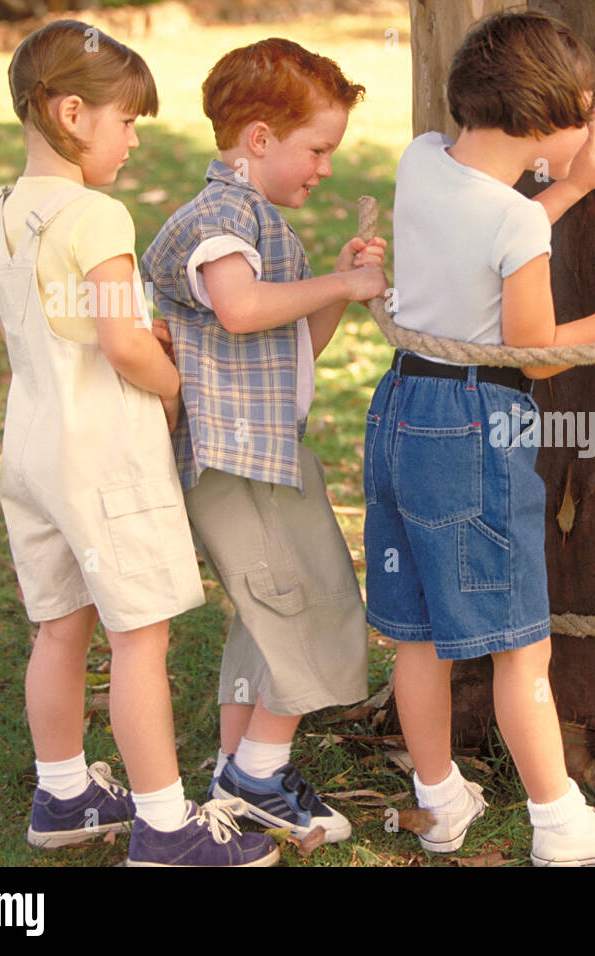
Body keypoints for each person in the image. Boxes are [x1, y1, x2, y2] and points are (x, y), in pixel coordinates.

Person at [364, 10, 595, 865]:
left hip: (402, 408)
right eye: (583, 110)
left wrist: (568, 186)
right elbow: (537, 354)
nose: (591, 124)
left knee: (419, 634)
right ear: (547, 117)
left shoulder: (422, 160)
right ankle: (559, 823)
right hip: (475, 427)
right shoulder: (515, 226)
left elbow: (481, 226)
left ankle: (439, 802)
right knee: (523, 645)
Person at [0, 19, 277, 866]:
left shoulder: (9, 210)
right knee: (140, 638)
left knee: (59, 627)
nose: (134, 139)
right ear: (72, 113)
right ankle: (163, 827)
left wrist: (126, 331)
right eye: (125, 122)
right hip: (104, 458)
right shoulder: (96, 212)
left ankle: (65, 792)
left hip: (35, 451)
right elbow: (121, 346)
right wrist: (176, 380)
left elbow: (69, 322)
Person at [141, 38, 386, 847]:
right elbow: (243, 310)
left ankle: (238, 768)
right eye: (316, 149)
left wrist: (336, 289)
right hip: (235, 457)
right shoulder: (219, 219)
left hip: (263, 449)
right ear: (257, 138)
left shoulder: (255, 221)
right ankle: (256, 776)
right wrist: (347, 282)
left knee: (265, 614)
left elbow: (287, 345)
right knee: (309, 603)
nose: (323, 168)